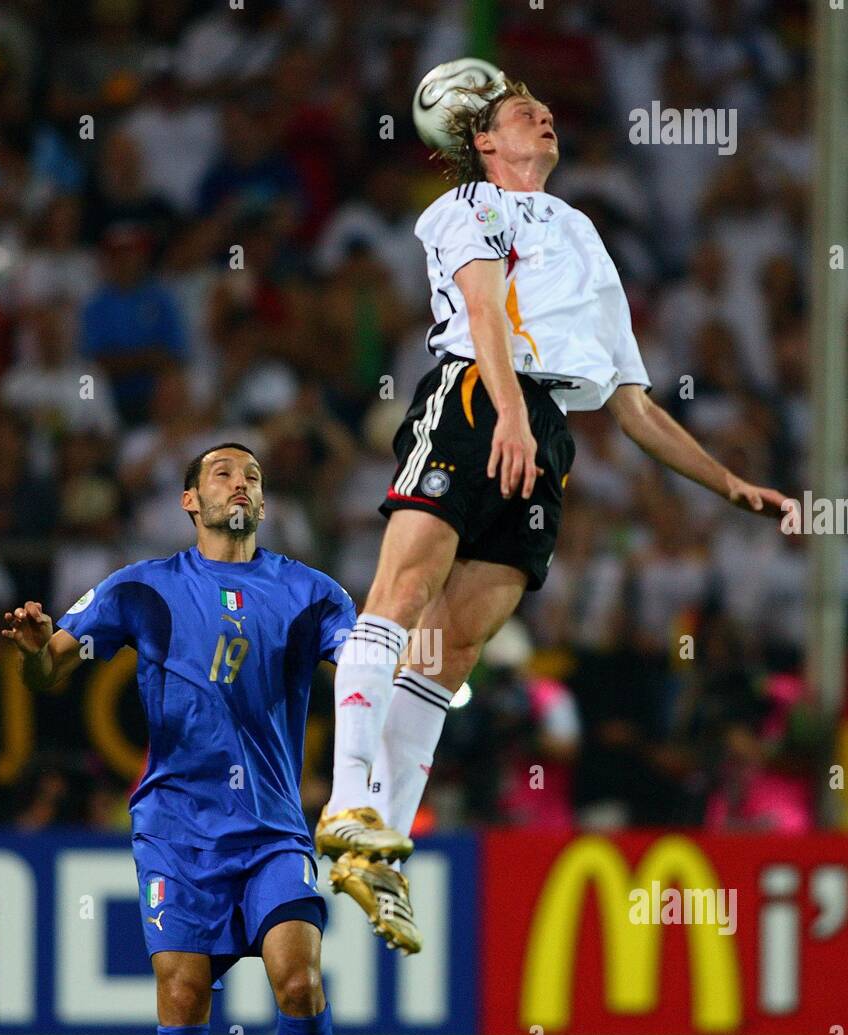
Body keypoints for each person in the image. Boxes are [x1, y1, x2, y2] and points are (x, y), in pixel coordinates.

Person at [314, 76, 788, 951]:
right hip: (472, 399)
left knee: (455, 650)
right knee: (401, 596)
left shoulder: (581, 231)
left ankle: (379, 850)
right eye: (520, 108)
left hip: (548, 432)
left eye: (545, 102)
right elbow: (485, 308)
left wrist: (727, 484)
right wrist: (502, 411)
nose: (543, 112)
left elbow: (634, 401)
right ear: (484, 142)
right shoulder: (468, 203)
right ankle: (346, 802)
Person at [2, 443, 355, 1035]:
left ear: (263, 504)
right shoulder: (142, 588)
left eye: (255, 476)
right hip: (177, 831)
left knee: (299, 982)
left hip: (271, 826)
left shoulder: (311, 593)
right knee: (184, 998)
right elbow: (52, 668)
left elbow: (365, 666)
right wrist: (33, 656)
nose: (243, 483)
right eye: (225, 473)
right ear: (191, 501)